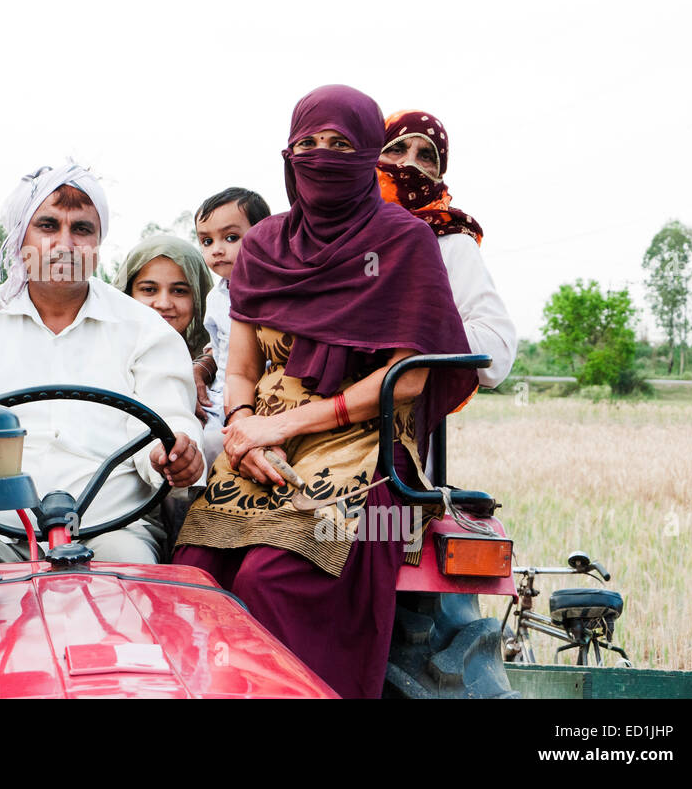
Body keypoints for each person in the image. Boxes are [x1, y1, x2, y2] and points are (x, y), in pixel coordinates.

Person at [174, 85, 477, 699]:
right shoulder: (264, 245)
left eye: (340, 145)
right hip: (259, 435)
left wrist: (281, 427)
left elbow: (410, 377)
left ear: (370, 154)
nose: (321, 157)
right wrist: (241, 428)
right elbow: (241, 369)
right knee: (192, 577)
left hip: (366, 443)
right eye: (307, 144)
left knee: (274, 575)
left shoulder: (402, 242)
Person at [0, 164, 205, 564]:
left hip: (113, 530)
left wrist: (171, 454)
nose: (65, 244)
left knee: (131, 588)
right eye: (48, 226)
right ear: (21, 237)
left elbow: (169, 421)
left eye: (82, 230)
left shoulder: (146, 330)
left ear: (99, 241)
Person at [378, 110, 516, 388]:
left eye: (426, 156)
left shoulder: (450, 240)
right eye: (396, 149)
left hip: (403, 417)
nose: (408, 164)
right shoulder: (337, 230)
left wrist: (408, 323)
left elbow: (496, 356)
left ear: (439, 174)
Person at [113, 234, 222, 469]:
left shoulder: (222, 372)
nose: (163, 303)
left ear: (199, 297)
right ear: (127, 294)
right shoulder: (107, 359)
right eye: (149, 289)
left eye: (180, 291)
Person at [192, 187, 271, 461]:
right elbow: (217, 347)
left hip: (267, 396)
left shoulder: (274, 289)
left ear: (264, 234)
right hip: (222, 394)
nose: (217, 250)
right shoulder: (215, 298)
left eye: (230, 237)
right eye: (206, 241)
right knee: (196, 443)